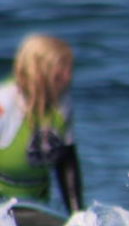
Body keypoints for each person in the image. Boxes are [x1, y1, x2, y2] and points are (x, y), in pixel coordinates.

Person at [1, 34, 85, 215]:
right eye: (61, 70)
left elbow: (67, 161)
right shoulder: (5, 101)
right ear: (39, 70)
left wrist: (77, 214)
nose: (68, 77)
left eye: (70, 69)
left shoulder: (62, 104)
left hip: (37, 204)